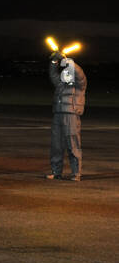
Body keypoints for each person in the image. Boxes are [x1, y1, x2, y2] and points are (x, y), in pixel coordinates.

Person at [47, 51, 86, 181]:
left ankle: (76, 173)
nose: (65, 74)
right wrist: (54, 62)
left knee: (73, 144)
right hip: (58, 114)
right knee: (56, 145)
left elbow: (80, 74)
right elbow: (53, 74)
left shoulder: (79, 85)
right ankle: (56, 171)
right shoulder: (60, 84)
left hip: (71, 116)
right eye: (64, 73)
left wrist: (69, 62)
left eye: (69, 73)